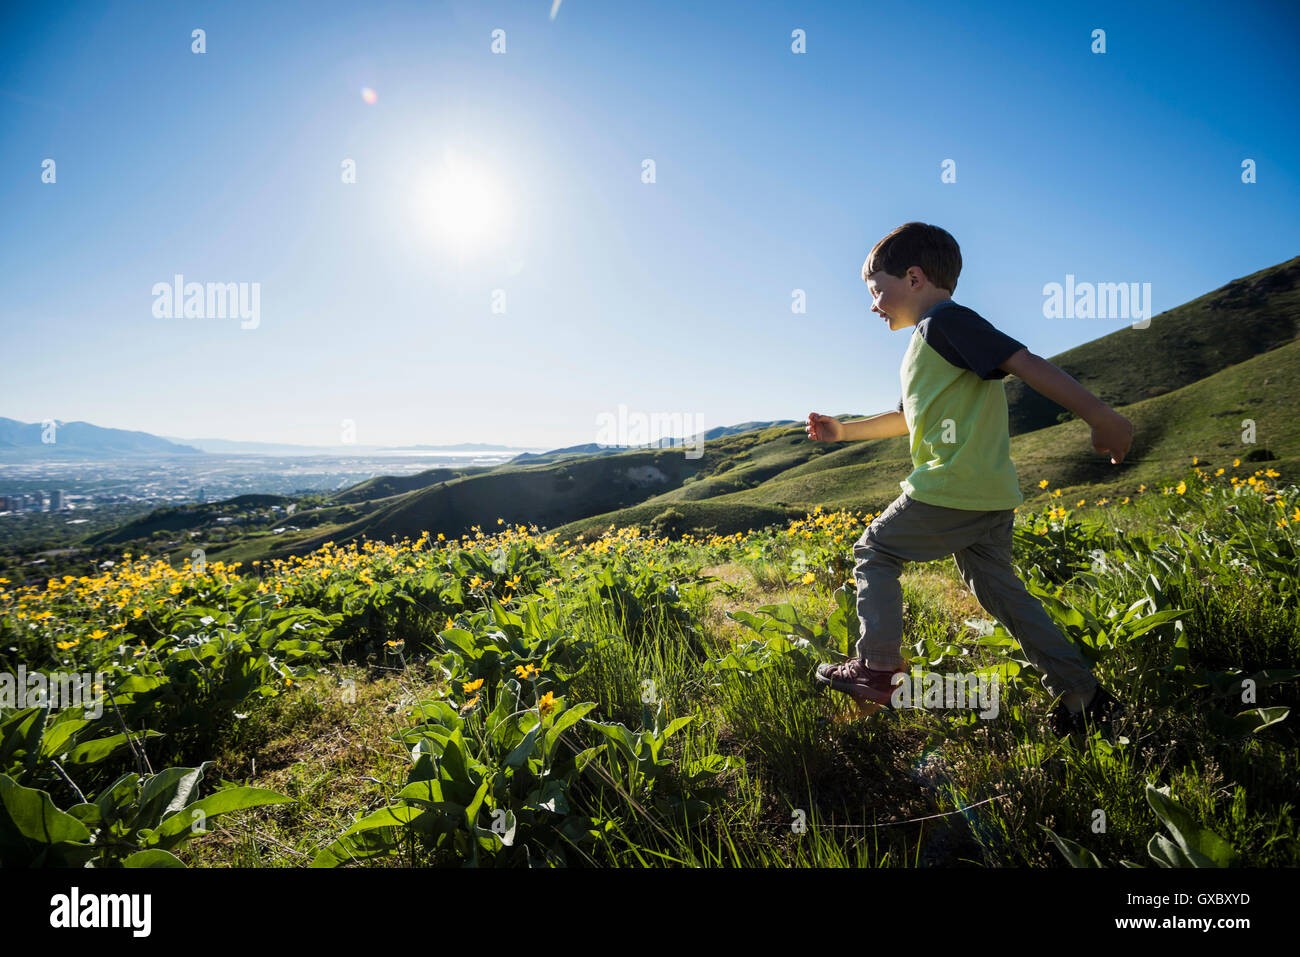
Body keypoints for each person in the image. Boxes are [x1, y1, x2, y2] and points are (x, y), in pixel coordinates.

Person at [805, 222, 1133, 737]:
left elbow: (1023, 362)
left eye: (876, 290)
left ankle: (878, 668)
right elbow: (907, 417)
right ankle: (1084, 698)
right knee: (1003, 594)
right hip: (988, 495)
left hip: (950, 487)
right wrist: (843, 430)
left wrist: (1101, 415)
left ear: (913, 277)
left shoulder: (946, 324)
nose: (874, 304)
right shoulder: (928, 342)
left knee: (875, 551)